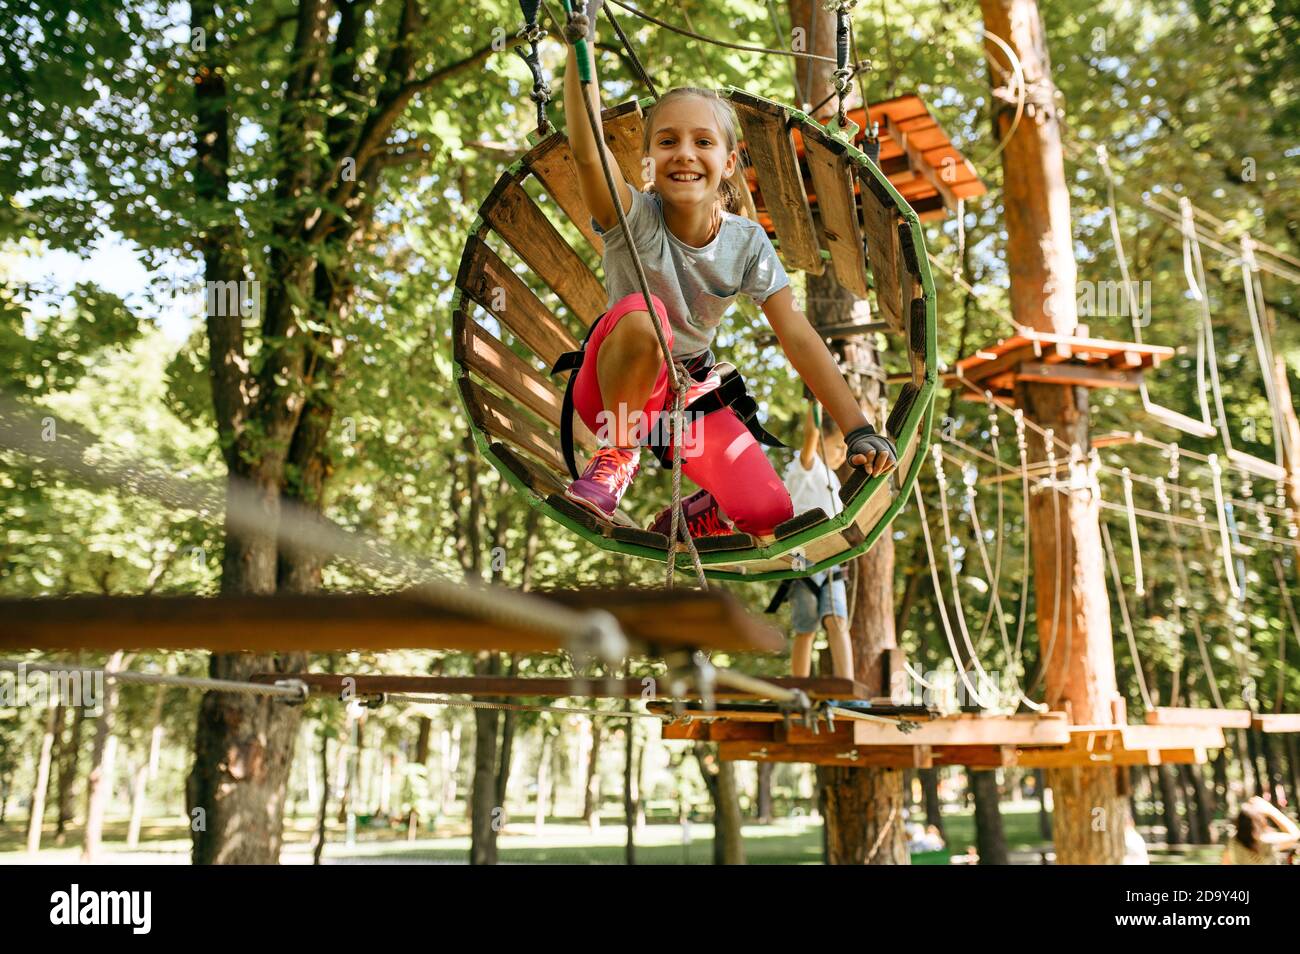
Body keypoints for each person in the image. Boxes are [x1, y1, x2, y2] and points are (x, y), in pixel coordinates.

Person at [556, 1, 897, 540]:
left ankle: (694, 513)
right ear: (647, 161)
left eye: (702, 142)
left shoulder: (747, 243)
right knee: (646, 317)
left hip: (682, 398)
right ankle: (618, 452)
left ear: (729, 162)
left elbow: (798, 336)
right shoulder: (632, 220)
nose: (683, 153)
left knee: (768, 511)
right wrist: (583, 51)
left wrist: (856, 428)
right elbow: (586, 151)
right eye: (666, 141)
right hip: (613, 384)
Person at [779, 405, 852, 678]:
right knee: (806, 628)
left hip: (829, 559)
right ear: (823, 439)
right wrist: (814, 399)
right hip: (802, 559)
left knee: (837, 621)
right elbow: (811, 433)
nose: (843, 455)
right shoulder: (806, 466)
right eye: (839, 447)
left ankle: (847, 685)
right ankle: (800, 688)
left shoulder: (831, 477)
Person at [1222, 795, 1300, 865]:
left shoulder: (1233, 843)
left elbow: (1225, 862)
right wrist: (1271, 810)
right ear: (1258, 824)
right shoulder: (1266, 843)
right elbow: (1295, 835)